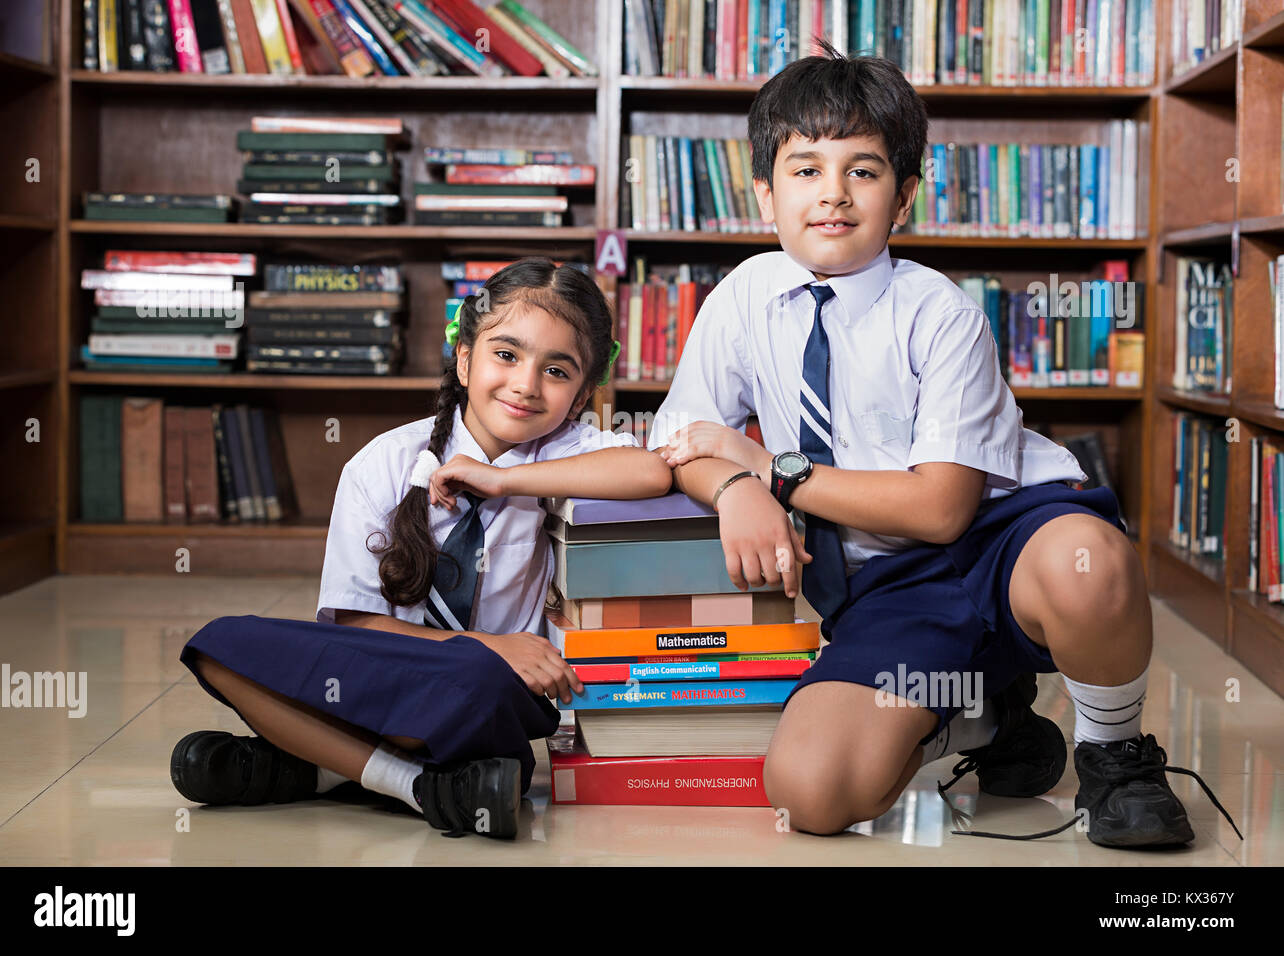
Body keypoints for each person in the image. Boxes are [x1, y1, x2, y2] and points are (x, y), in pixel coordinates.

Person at [647, 45, 1240, 848]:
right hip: (888, 583)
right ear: (765, 192)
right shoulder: (743, 297)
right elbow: (683, 437)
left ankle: (1116, 752)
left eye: (863, 170)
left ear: (904, 197)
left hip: (1005, 538)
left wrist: (771, 471)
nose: (832, 193)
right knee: (811, 795)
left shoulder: (942, 313)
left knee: (1090, 563)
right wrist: (734, 490)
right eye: (806, 168)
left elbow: (940, 507)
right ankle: (977, 713)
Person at [171, 257, 672, 840]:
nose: (526, 385)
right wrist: (489, 644)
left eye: (557, 371)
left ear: (583, 391)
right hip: (395, 673)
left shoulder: (570, 452)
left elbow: (649, 472)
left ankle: (326, 764)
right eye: (505, 355)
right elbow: (357, 626)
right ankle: (417, 784)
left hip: (483, 694)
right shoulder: (384, 462)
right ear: (464, 358)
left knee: (479, 681)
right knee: (220, 645)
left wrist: (505, 480)